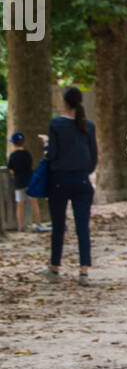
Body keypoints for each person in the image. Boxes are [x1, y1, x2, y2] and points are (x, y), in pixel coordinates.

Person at [45, 87, 98, 283]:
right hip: (83, 179)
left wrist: (46, 146)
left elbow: (52, 154)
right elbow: (93, 155)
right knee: (82, 226)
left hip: (60, 179)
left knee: (59, 225)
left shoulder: (56, 124)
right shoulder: (88, 126)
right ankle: (84, 270)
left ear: (65, 102)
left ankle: (55, 267)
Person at [7, 132, 48, 232]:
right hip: (30, 181)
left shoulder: (12, 156)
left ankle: (21, 226)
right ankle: (38, 224)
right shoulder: (27, 154)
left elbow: (11, 170)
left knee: (20, 205)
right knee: (34, 203)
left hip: (19, 182)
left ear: (13, 143)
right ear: (23, 143)